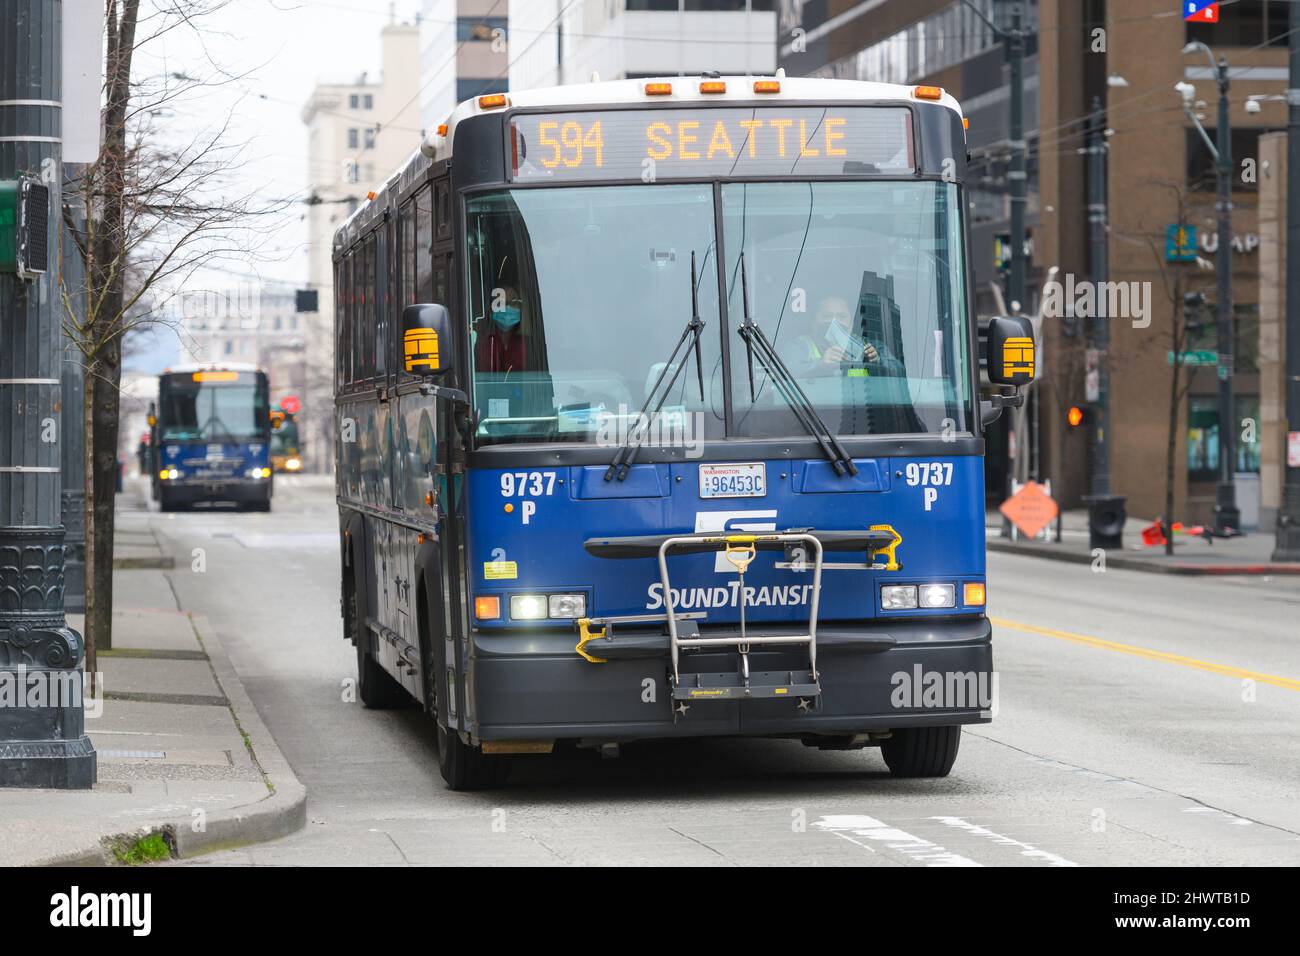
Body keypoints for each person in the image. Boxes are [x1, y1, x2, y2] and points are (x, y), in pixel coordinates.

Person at [475, 285, 528, 373]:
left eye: (513, 303)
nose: (507, 308)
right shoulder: (482, 343)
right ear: (492, 310)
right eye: (501, 304)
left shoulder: (527, 344)